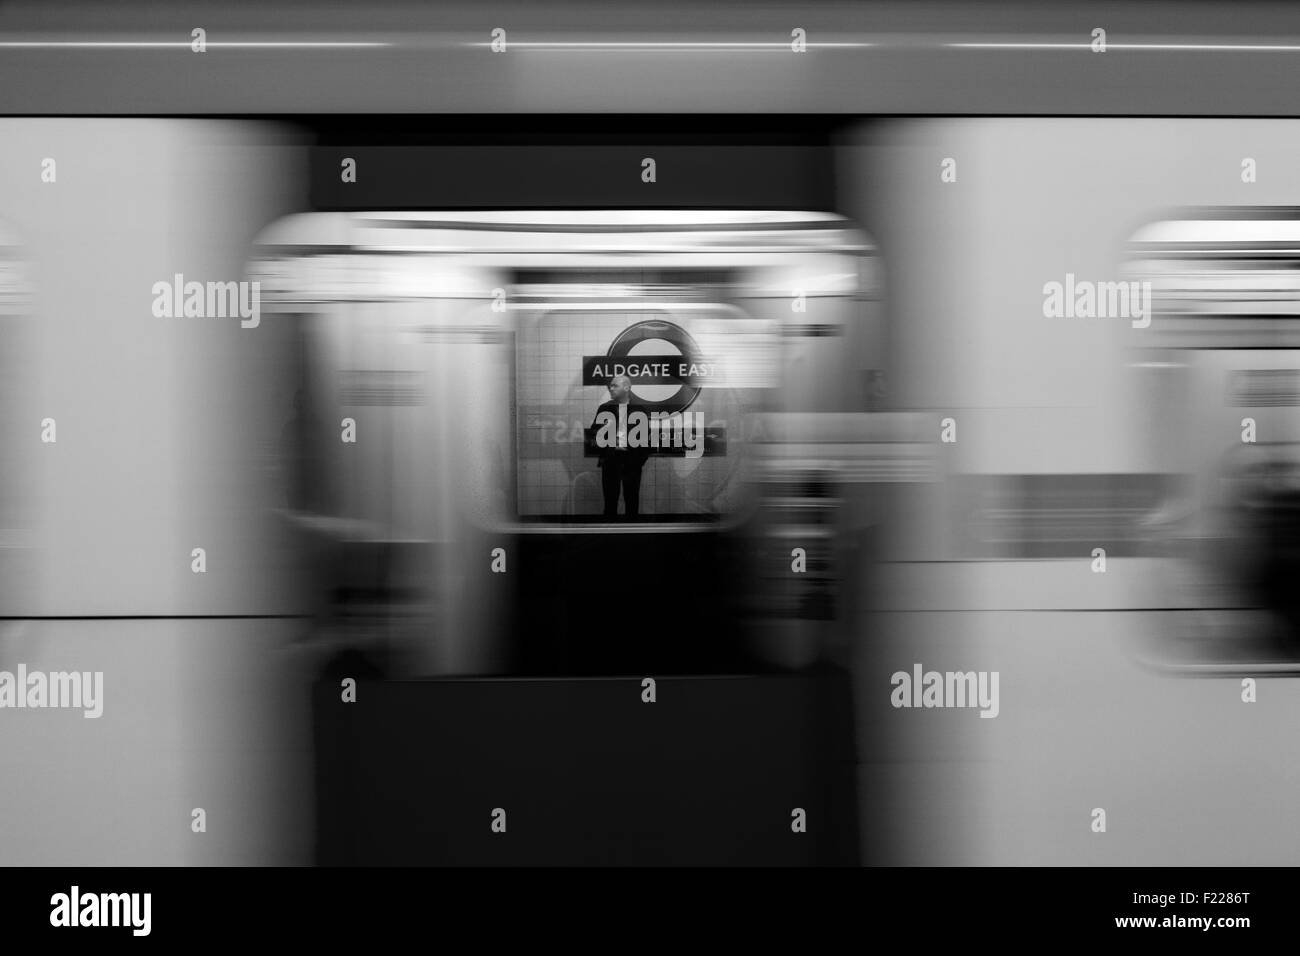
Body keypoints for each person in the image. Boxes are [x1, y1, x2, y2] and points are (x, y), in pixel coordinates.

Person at [590, 374, 652, 519]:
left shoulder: (639, 409)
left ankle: (632, 534)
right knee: (610, 500)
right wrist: (608, 450)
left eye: (614, 385)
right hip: (611, 460)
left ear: (627, 387)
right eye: (610, 386)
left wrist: (639, 460)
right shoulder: (605, 408)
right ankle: (608, 536)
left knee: (632, 500)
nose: (610, 388)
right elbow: (594, 434)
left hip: (632, 462)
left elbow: (646, 438)